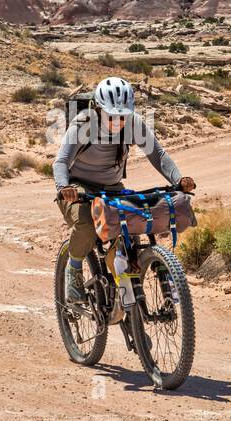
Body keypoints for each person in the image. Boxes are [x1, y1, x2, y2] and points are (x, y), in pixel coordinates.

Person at [53, 76, 195, 303]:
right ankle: (74, 270)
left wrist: (179, 179)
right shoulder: (84, 124)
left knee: (132, 222)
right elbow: (60, 162)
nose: (119, 121)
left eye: (123, 115)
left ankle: (128, 296)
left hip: (112, 187)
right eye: (112, 115)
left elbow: (157, 155)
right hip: (78, 188)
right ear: (99, 109)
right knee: (88, 224)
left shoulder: (133, 123)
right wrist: (65, 188)